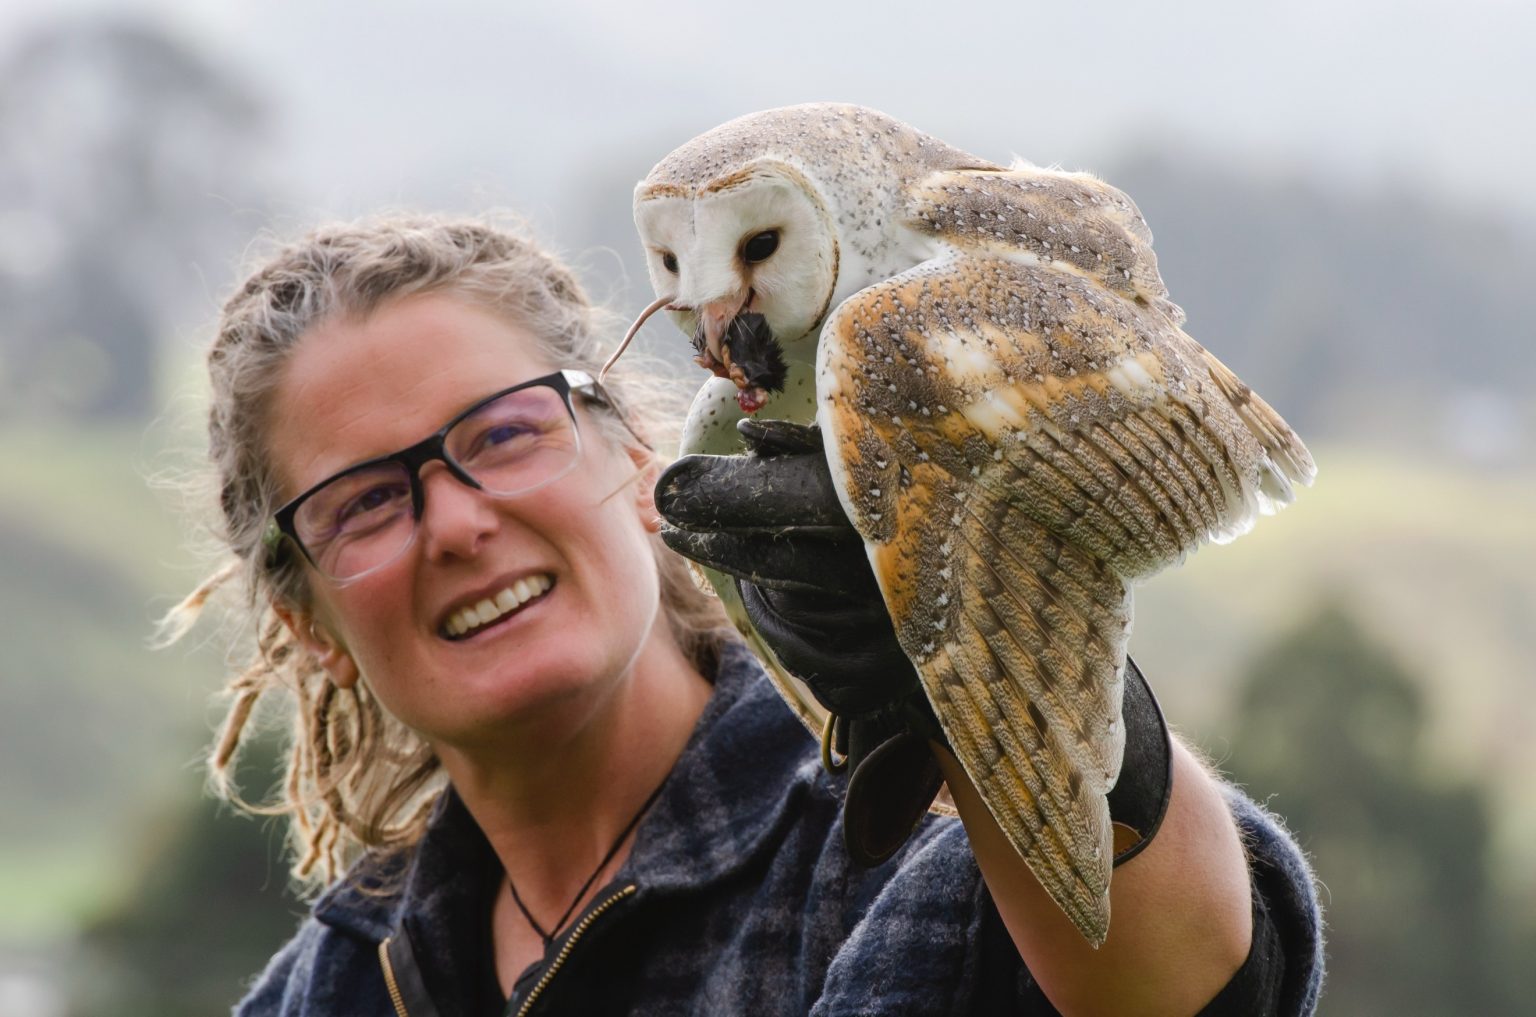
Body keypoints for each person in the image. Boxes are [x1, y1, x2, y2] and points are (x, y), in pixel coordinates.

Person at [166, 214, 1322, 1016]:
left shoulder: (902, 833)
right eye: (365, 503)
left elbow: (1206, 985)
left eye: (506, 434)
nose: (457, 523)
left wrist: (976, 670)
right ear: (306, 614)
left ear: (632, 458)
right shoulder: (335, 987)